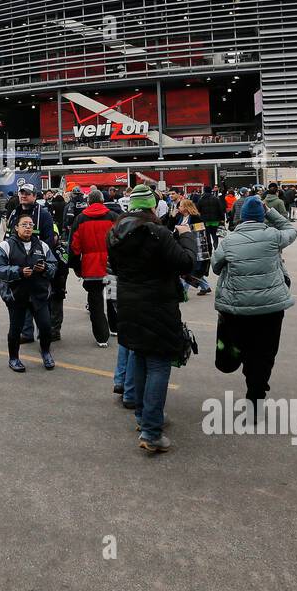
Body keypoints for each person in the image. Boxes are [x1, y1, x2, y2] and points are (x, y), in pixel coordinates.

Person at [108, 185, 198, 454]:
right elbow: (186, 263)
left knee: (138, 356)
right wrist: (186, 237)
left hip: (128, 303)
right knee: (159, 363)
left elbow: (116, 266)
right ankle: (151, 430)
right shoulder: (158, 233)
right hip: (158, 304)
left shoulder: (114, 234)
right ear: (151, 207)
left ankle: (143, 418)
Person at [210, 194, 297, 407]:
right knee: (265, 351)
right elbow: (291, 229)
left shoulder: (229, 240)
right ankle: (256, 391)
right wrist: (270, 211)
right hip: (271, 307)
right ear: (262, 217)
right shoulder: (274, 236)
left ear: (241, 217)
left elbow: (215, 266)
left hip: (238, 306)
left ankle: (251, 376)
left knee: (245, 347)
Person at [0, 212, 57, 372]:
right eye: (24, 224)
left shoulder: (42, 245)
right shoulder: (5, 246)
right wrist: (19, 272)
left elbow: (53, 266)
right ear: (16, 227)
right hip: (16, 295)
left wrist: (46, 269)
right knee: (15, 329)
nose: (28, 227)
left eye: (30, 225)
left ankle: (46, 353)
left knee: (45, 326)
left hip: (39, 293)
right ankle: (13, 358)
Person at [70, 189, 117, 346]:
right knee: (113, 297)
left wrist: (76, 266)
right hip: (112, 266)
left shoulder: (80, 219)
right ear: (103, 201)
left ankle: (101, 337)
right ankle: (115, 328)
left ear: (88, 202)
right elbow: (121, 241)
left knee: (95, 303)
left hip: (90, 268)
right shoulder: (113, 217)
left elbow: (74, 246)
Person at [175, 198, 213, 295]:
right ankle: (205, 286)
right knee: (192, 269)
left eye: (181, 206)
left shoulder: (196, 218)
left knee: (189, 270)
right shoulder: (181, 217)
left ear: (186, 208)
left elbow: (200, 236)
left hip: (195, 246)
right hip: (183, 245)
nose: (179, 207)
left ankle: (183, 292)